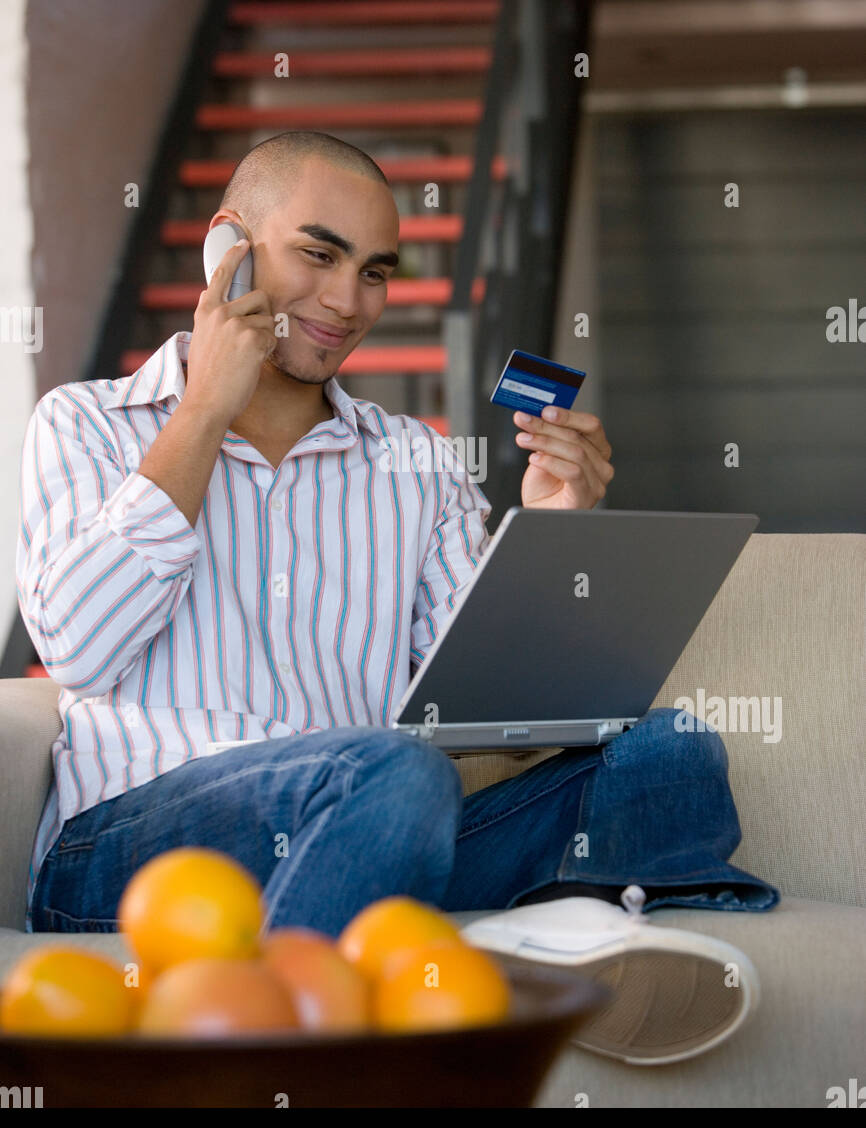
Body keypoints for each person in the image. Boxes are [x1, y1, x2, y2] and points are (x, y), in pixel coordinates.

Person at [17, 130, 778, 1063]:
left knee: (672, 752)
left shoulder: (415, 462)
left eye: (375, 271)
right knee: (391, 771)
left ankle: (497, 943)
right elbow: (80, 649)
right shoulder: (84, 423)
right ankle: (309, 1044)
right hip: (138, 855)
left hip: (376, 827)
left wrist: (554, 538)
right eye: (319, 254)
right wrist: (203, 411)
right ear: (231, 248)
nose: (347, 302)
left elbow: (516, 720)